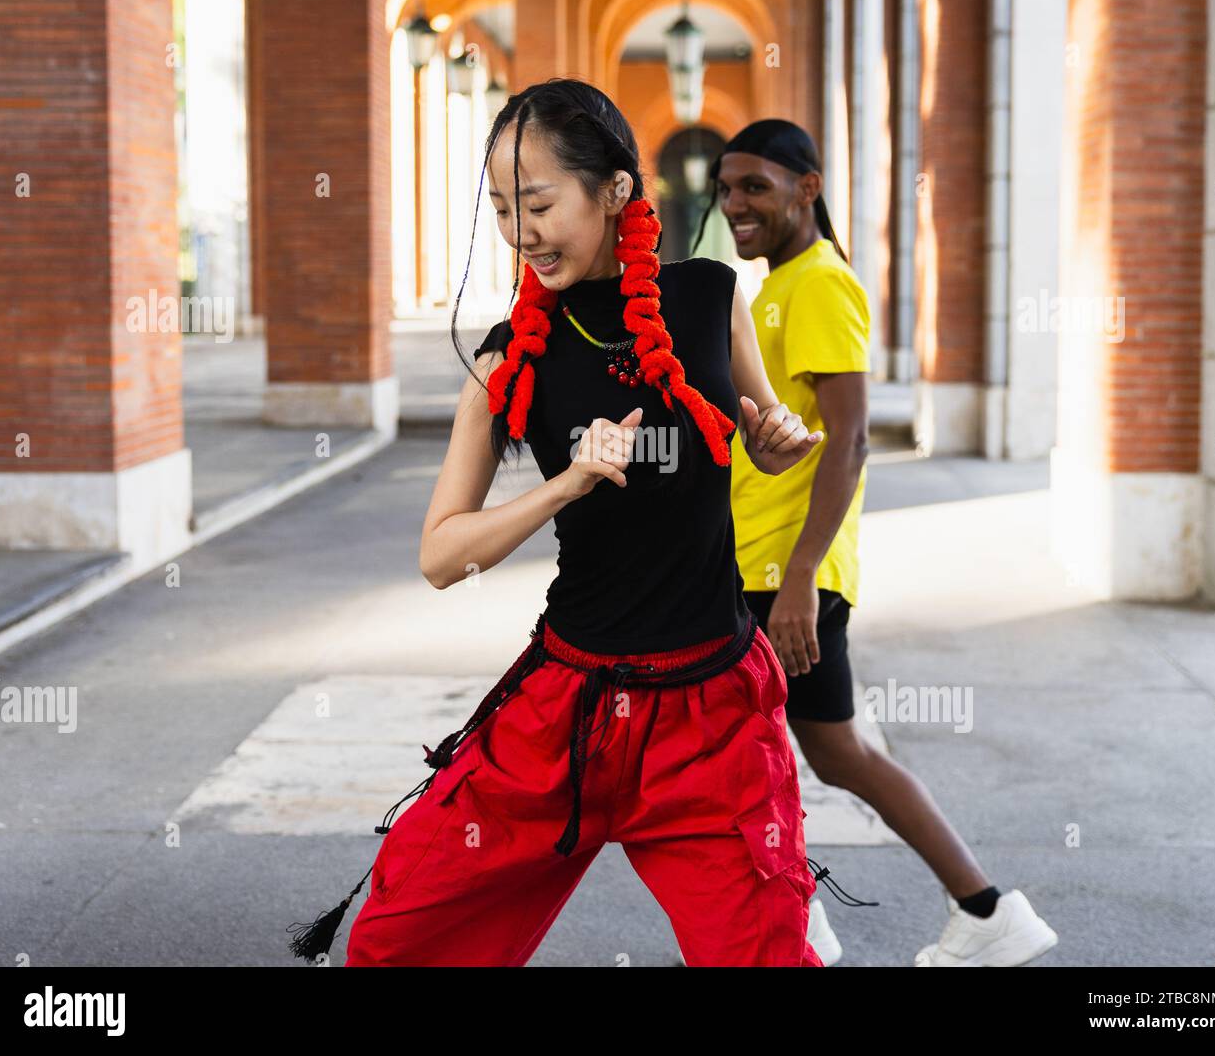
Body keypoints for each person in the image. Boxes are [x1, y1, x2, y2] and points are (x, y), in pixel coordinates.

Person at [287, 80, 865, 967]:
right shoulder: (507, 358)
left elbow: (760, 437)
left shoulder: (711, 298)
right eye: (503, 208)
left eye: (541, 203)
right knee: (397, 941)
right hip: (565, 715)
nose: (522, 231)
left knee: (761, 958)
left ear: (616, 192)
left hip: (711, 722)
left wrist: (777, 439)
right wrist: (565, 484)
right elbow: (442, 554)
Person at [692, 118, 1058, 967]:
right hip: (762, 561)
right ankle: (985, 911)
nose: (736, 202)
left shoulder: (818, 283)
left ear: (806, 189)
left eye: (755, 185)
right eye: (726, 186)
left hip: (784, 569)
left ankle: (796, 925)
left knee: (734, 750)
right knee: (829, 750)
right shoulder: (781, 283)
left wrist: (802, 579)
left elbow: (851, 439)